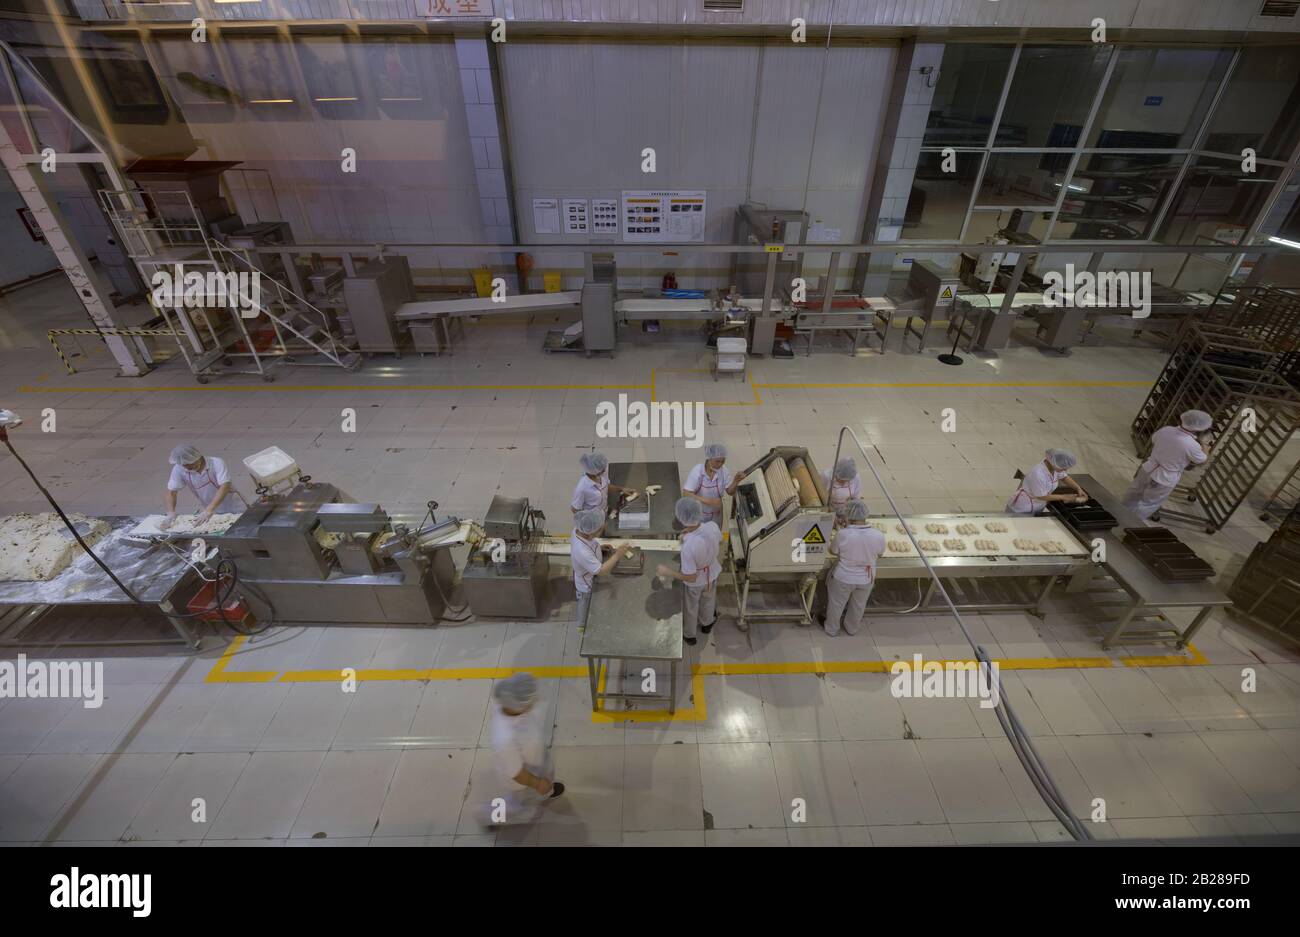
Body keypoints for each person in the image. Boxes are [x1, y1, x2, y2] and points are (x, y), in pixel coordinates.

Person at [486, 672, 564, 826]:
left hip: (534, 762)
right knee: (518, 805)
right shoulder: (505, 739)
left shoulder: (508, 705)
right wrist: (538, 783)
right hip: (523, 779)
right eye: (530, 700)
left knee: (543, 782)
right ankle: (492, 817)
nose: (534, 701)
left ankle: (546, 791)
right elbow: (517, 774)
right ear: (518, 705)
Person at [656, 498, 723, 646]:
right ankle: (707, 624)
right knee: (708, 600)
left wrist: (668, 571)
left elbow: (691, 577)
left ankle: (690, 635)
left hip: (696, 582)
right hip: (711, 573)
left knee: (691, 606)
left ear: (682, 520)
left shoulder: (688, 547)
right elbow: (719, 540)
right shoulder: (712, 526)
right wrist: (691, 533)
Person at [1122, 409, 1212, 521]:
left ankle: (1120, 512)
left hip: (1147, 468)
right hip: (1165, 478)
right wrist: (1205, 446)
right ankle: (1131, 522)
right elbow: (1202, 460)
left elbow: (1154, 440)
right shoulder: (1192, 445)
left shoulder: (1166, 430)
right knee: (1149, 504)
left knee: (1134, 493)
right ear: (1200, 428)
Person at [822, 499, 886, 637]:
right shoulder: (878, 535)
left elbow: (833, 551)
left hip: (844, 578)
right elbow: (880, 553)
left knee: (836, 604)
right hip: (866, 579)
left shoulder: (843, 534)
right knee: (859, 605)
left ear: (848, 516)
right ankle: (851, 628)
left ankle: (832, 629)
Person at [570, 508, 632, 630]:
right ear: (590, 532)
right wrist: (617, 555)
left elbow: (590, 545)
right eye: (599, 529)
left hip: (589, 566)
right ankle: (582, 626)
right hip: (586, 583)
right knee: (584, 602)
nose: (602, 529)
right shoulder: (582, 551)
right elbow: (602, 571)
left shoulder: (578, 530)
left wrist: (600, 547)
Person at [162, 444, 245, 529]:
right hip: (211, 508)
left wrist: (209, 509)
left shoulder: (216, 462)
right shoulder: (179, 468)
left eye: (190, 463)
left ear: (198, 456)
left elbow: (225, 486)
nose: (188, 467)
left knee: (242, 527)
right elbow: (171, 492)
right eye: (185, 465)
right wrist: (170, 512)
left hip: (233, 505)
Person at [682, 443, 747, 526]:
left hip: (716, 514)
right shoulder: (698, 471)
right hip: (699, 513)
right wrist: (708, 501)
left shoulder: (723, 471)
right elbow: (686, 493)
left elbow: (730, 492)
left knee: (714, 536)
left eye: (722, 461)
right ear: (709, 458)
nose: (720, 464)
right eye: (717, 461)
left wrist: (736, 481)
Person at [1006, 449, 1087, 515]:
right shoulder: (1038, 474)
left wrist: (1078, 488)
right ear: (1053, 462)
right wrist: (1064, 497)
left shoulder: (1055, 468)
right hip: (1023, 508)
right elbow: (1041, 496)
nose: (1065, 470)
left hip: (1038, 505)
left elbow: (1064, 477)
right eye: (1063, 467)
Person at [570, 451, 637, 515]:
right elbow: (574, 509)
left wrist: (622, 489)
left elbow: (606, 486)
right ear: (593, 471)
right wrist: (589, 521)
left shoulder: (600, 475)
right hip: (594, 519)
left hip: (604, 511)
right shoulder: (582, 488)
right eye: (602, 470)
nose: (604, 470)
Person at [821, 458, 863, 524]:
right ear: (836, 474)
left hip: (845, 509)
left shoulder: (855, 477)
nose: (843, 483)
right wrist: (829, 513)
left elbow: (856, 499)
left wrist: (848, 514)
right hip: (829, 508)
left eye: (846, 481)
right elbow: (821, 497)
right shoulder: (826, 476)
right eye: (841, 480)